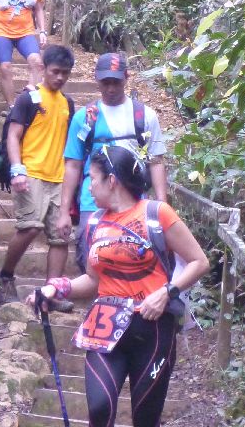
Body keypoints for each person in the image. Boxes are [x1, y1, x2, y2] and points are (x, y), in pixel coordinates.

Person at [30, 144, 209, 427]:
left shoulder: (156, 215)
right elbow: (93, 282)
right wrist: (55, 288)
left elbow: (198, 261)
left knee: (146, 416)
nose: (88, 188)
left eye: (92, 180)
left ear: (112, 180)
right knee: (98, 407)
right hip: (105, 327)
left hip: (154, 330)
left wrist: (168, 293)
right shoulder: (95, 224)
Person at [56, 51, 167, 273]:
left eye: (116, 82)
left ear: (126, 77)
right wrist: (64, 211)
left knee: (134, 250)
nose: (111, 88)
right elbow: (73, 165)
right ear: (96, 79)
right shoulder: (85, 117)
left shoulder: (144, 115)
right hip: (93, 197)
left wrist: (162, 205)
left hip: (135, 197)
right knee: (88, 250)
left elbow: (156, 160)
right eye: (105, 82)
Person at [0, 44, 76, 306]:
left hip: (59, 178)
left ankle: (51, 293)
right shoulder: (29, 98)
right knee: (29, 228)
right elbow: (13, 135)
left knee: (60, 237)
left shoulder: (67, 104)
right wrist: (17, 170)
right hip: (31, 174)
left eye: (65, 73)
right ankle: (6, 276)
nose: (60, 77)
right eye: (55, 71)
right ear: (43, 69)